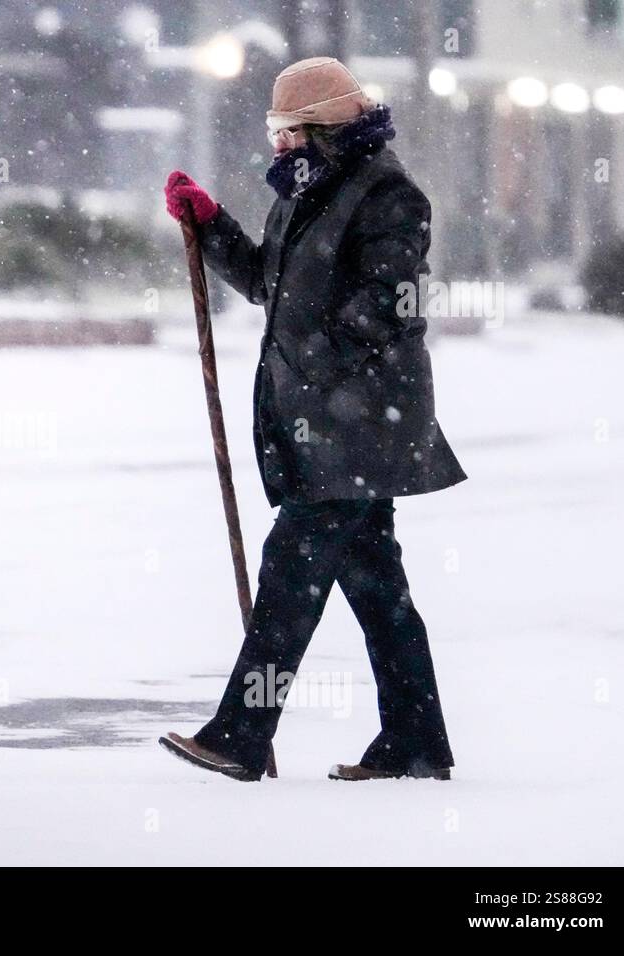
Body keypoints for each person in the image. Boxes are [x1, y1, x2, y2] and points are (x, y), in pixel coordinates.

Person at [158, 57, 467, 782]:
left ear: (323, 127)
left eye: (286, 130)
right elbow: (271, 284)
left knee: (290, 576)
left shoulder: (389, 194)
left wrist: (318, 365)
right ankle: (416, 742)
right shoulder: (304, 192)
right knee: (378, 591)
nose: (277, 144)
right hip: (325, 425)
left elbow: (393, 307)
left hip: (359, 427)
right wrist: (210, 226)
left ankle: (239, 734)